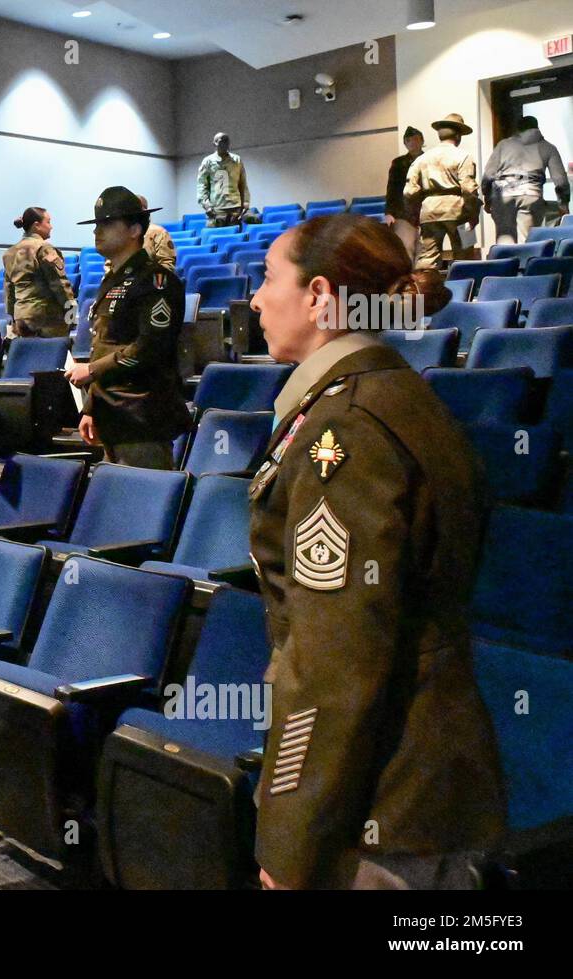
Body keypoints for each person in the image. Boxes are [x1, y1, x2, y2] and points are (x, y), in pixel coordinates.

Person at [247, 213, 506, 889]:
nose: (254, 298)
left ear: (320, 296)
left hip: (381, 800)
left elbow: (336, 659)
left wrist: (292, 838)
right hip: (418, 782)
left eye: (270, 278)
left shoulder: (347, 429)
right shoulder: (394, 395)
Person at [65, 187, 191, 469]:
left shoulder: (157, 281)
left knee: (144, 506)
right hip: (112, 413)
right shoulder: (112, 281)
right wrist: (91, 408)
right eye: (97, 224)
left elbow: (149, 348)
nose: (98, 231)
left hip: (141, 416)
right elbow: (104, 345)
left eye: (107, 224)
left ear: (135, 229)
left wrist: (91, 371)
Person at [404, 113, 481, 270]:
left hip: (429, 212)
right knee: (465, 258)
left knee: (427, 260)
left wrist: (415, 213)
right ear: (458, 135)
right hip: (460, 212)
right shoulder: (463, 156)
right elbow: (468, 189)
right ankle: (464, 290)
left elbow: (409, 192)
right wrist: (473, 213)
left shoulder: (421, 159)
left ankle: (427, 291)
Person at [482, 115, 570, 244]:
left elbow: (488, 175)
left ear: (518, 130)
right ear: (537, 128)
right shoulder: (548, 147)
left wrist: (487, 198)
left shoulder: (504, 145)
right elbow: (560, 180)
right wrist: (563, 205)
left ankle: (505, 262)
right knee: (529, 242)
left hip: (503, 195)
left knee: (505, 243)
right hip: (531, 195)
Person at [1, 206, 76, 337]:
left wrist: (13, 316)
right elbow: (59, 284)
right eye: (48, 222)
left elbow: (9, 289)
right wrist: (72, 313)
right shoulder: (44, 248)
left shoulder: (9, 253)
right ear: (36, 225)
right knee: (53, 355)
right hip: (46, 318)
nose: (51, 226)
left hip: (22, 317)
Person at [383, 126, 425, 260]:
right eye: (409, 140)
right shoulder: (398, 163)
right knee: (407, 246)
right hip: (404, 210)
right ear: (405, 143)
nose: (413, 142)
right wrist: (389, 212)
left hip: (426, 208)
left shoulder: (429, 159)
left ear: (422, 141)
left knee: (426, 248)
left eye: (416, 139)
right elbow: (392, 189)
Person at [197, 132, 251, 227]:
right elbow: (201, 185)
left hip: (235, 207)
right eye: (221, 141)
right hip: (216, 208)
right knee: (217, 237)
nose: (225, 143)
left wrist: (245, 202)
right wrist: (206, 206)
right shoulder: (208, 161)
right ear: (214, 143)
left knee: (235, 236)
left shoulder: (236, 160)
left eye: (227, 141)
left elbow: (243, 183)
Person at [138, 196, 176, 271]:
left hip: (150, 278)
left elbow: (167, 263)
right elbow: (112, 263)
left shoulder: (159, 233)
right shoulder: (122, 235)